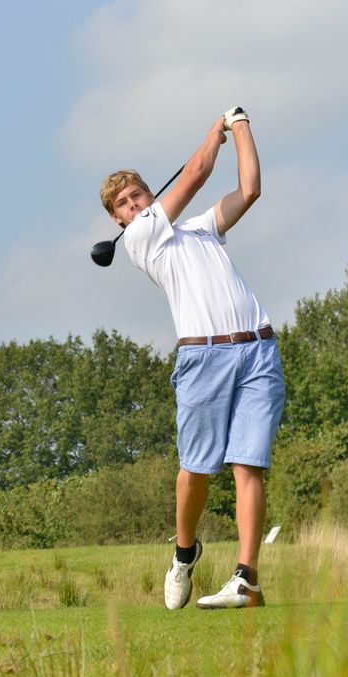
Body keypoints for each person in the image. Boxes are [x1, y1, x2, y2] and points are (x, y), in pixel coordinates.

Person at [100, 106, 285, 609]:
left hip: (258, 350)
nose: (135, 204)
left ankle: (246, 580)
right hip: (203, 360)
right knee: (196, 470)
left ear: (150, 195)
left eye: (139, 194)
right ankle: (184, 553)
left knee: (249, 464)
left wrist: (240, 126)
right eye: (124, 203)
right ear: (118, 219)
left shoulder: (201, 229)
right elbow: (198, 171)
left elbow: (250, 189)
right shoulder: (142, 239)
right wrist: (213, 131)